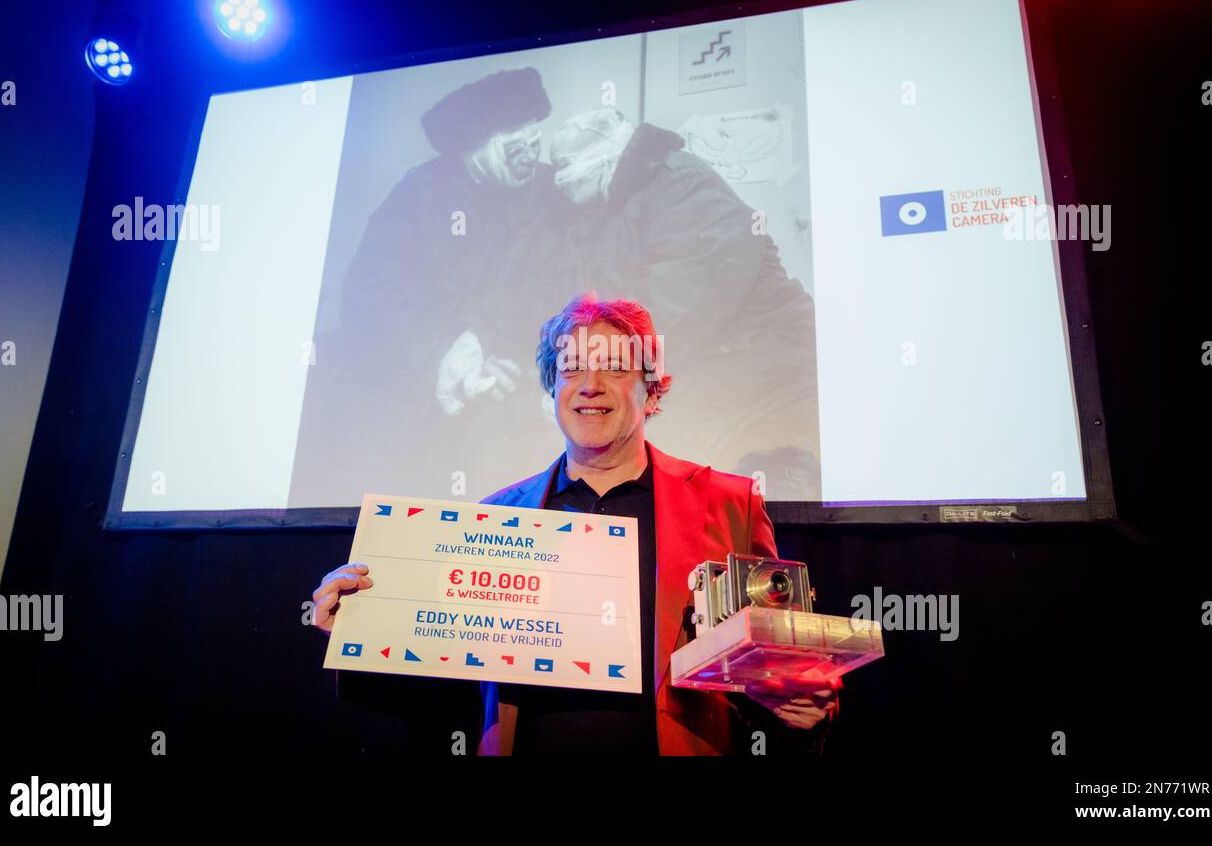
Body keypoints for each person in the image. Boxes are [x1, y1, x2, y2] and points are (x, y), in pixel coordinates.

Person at [312, 293, 839, 755]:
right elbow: (454, 687)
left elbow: (771, 668)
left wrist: (798, 711)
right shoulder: (497, 517)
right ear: (552, 390)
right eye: (571, 370)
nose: (590, 385)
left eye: (614, 367)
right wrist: (360, 629)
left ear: (651, 392)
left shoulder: (728, 504)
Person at [290, 67, 581, 501]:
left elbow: (556, 282)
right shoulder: (419, 193)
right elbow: (369, 298)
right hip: (407, 386)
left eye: (532, 134)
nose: (528, 150)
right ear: (471, 148)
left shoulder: (550, 192)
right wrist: (441, 355)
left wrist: (487, 341)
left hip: (509, 385)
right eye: (511, 138)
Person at [549, 108, 823, 499]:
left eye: (566, 166)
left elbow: (677, 310)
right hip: (717, 382)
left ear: (603, 153)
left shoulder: (683, 186)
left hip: (768, 382)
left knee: (763, 518)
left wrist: (582, 377)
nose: (562, 180)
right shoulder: (619, 201)